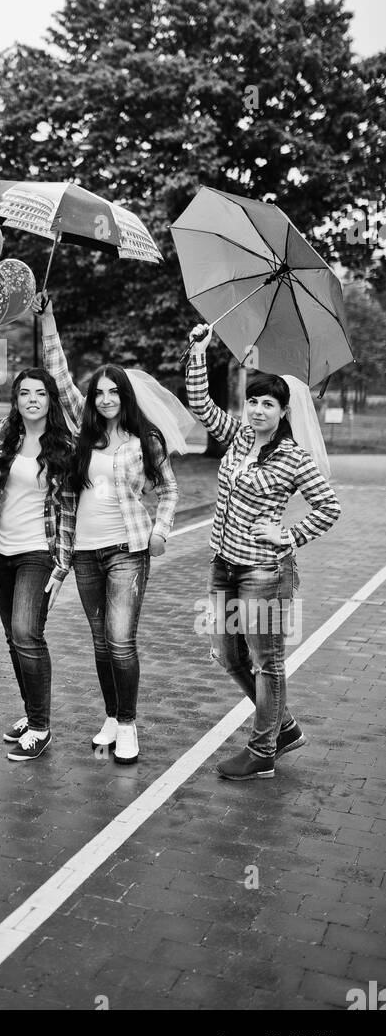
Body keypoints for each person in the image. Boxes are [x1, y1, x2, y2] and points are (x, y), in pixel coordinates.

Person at [185, 324, 340, 781]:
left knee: (266, 661)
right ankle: (285, 727)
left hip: (262, 575)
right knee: (228, 656)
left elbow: (328, 507)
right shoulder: (236, 436)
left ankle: (263, 750)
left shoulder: (293, 457)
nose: (256, 409)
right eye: (252, 401)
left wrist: (287, 534)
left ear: (283, 411)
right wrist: (199, 350)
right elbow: (200, 403)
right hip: (222, 566)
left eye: (267, 403)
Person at [40, 299, 184, 765]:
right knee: (101, 642)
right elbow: (60, 379)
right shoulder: (85, 438)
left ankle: (128, 725)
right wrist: (47, 320)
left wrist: (160, 532)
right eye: (98, 392)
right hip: (85, 553)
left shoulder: (145, 442)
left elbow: (170, 490)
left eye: (112, 392)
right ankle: (111, 714)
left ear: (125, 395)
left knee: (121, 640)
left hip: (127, 550)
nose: (104, 399)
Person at [0, 366, 77, 761]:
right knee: (14, 638)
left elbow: (68, 509)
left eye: (40, 393)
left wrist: (62, 564)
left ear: (50, 399)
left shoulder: (64, 445)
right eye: (25, 393)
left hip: (37, 552)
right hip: (0, 550)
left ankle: (42, 727)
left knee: (27, 632)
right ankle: (32, 717)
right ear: (16, 400)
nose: (32, 399)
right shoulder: (8, 434)